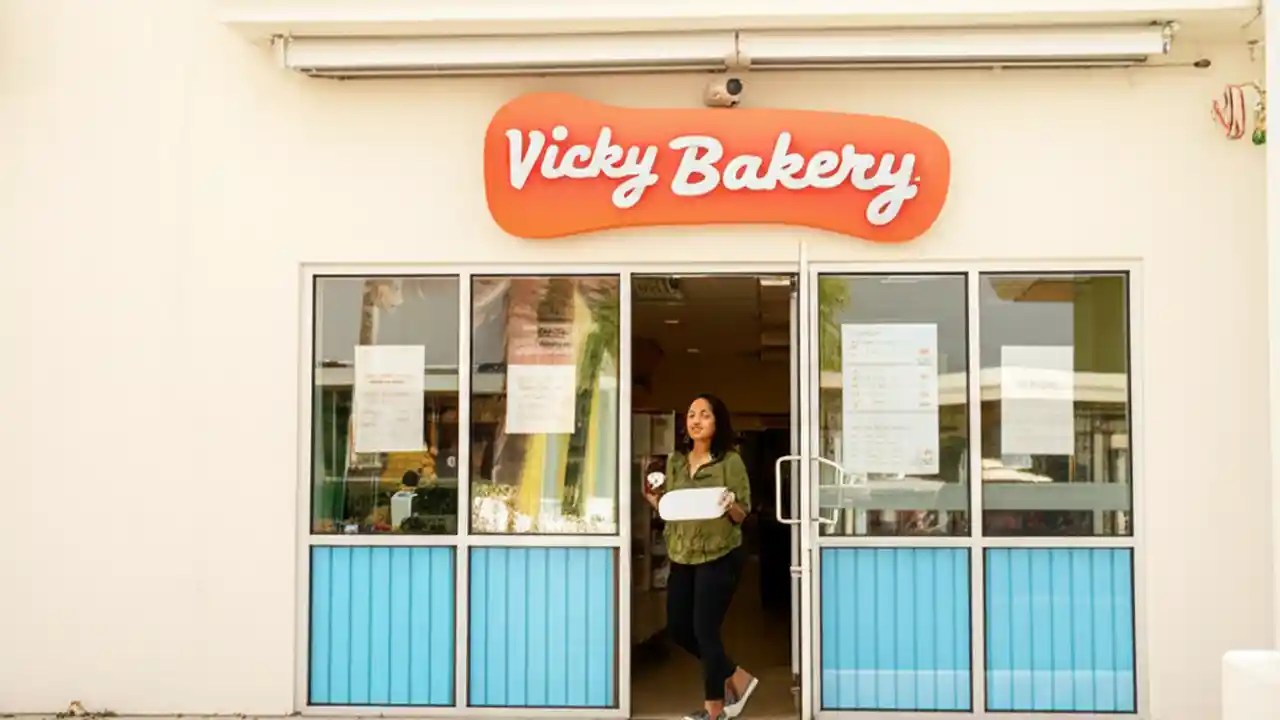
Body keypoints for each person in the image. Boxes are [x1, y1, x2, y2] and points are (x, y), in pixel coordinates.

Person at [644, 394, 759, 720]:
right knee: (680, 629)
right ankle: (736, 676)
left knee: (705, 631)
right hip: (683, 553)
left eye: (704, 415)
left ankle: (714, 711)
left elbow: (742, 513)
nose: (696, 420)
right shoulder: (675, 462)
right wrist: (656, 503)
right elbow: (673, 510)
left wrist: (730, 507)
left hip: (719, 554)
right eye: (691, 414)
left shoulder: (730, 462)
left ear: (717, 422)